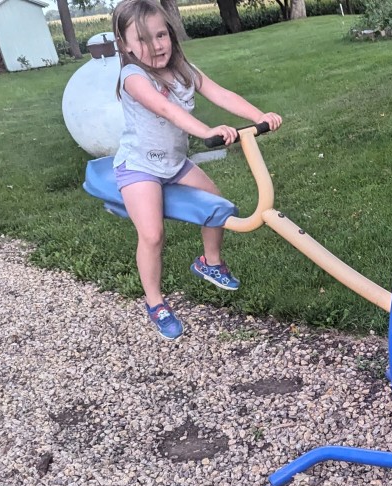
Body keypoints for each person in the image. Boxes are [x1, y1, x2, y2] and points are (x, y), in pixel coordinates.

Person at [111, 0, 282, 340]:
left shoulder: (183, 69)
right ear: (126, 45)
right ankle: (155, 301)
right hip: (140, 167)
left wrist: (258, 116)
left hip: (173, 164)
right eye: (143, 39)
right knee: (152, 234)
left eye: (161, 35)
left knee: (217, 206)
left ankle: (210, 261)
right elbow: (165, 109)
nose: (156, 45)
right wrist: (205, 131)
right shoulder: (132, 76)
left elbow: (220, 93)